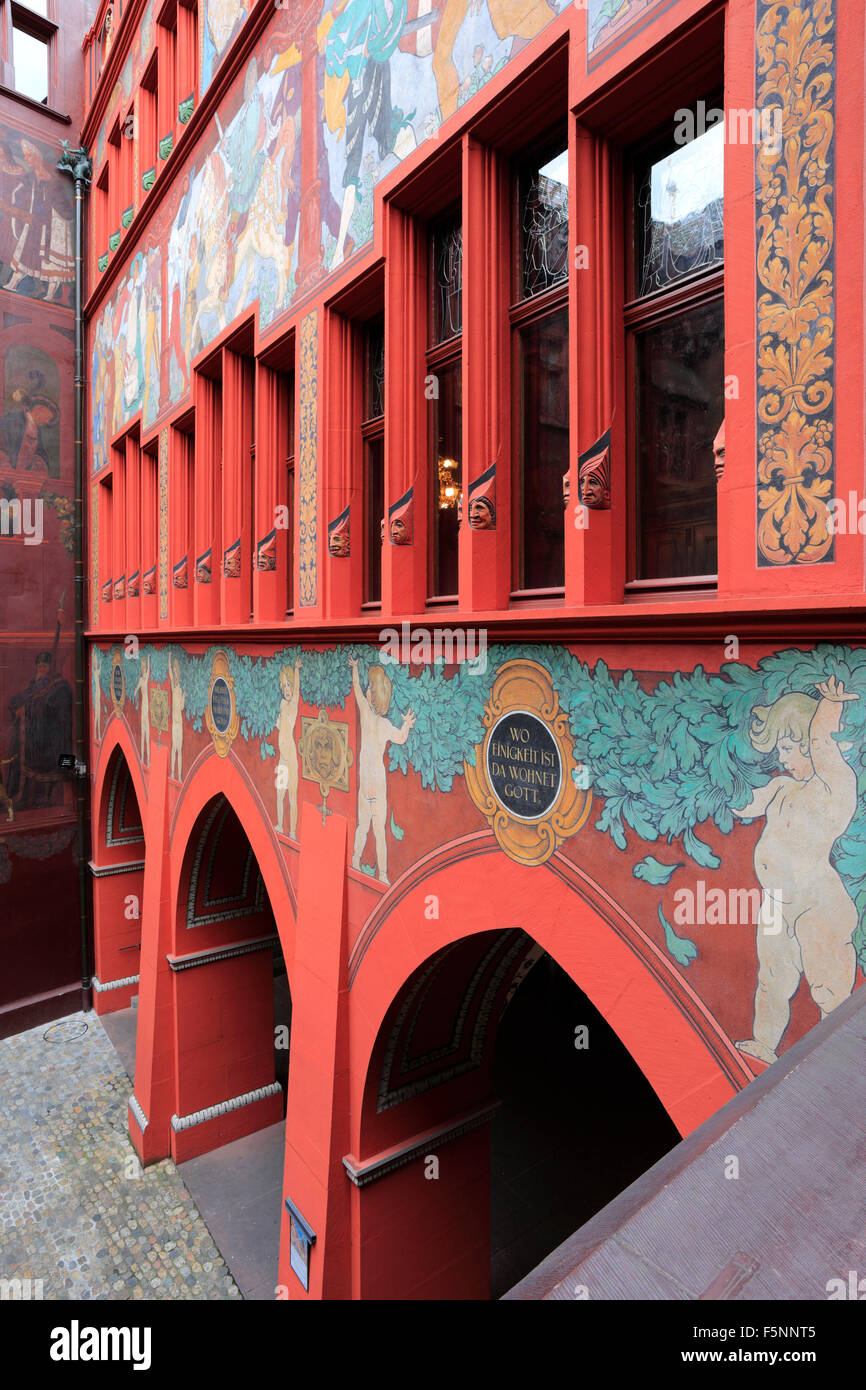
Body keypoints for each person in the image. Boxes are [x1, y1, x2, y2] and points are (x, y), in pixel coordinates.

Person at [732, 676, 859, 1065]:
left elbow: (823, 745)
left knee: (828, 983)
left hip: (818, 903)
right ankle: (764, 1043)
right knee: (772, 975)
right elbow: (746, 805)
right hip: (776, 903)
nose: (781, 757)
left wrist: (829, 707)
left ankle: (837, 1058)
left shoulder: (835, 785)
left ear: (807, 742)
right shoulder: (783, 788)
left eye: (787, 747)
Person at [349, 656, 414, 884]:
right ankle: (382, 875)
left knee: (364, 828)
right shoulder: (383, 724)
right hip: (377, 783)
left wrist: (355, 668)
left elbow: (356, 689)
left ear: (374, 695)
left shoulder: (367, 715)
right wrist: (406, 724)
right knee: (378, 832)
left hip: (368, 783)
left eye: (370, 687)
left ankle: (357, 862)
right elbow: (402, 737)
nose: (366, 690)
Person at [6, 635, 72, 809]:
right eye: (39, 666)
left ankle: (45, 799)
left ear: (51, 667)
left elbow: (55, 710)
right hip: (34, 737)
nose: (42, 669)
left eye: (45, 666)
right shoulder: (35, 684)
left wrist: (26, 710)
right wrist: (18, 707)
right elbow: (23, 698)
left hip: (50, 738)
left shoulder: (59, 686)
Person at [275, 660, 302, 838]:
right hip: (282, 758)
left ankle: (292, 832)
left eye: (289, 685)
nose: (286, 689)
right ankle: (280, 825)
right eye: (284, 686)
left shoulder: (292, 704)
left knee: (292, 797)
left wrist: (296, 670)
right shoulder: (282, 704)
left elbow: (297, 690)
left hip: (290, 758)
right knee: (280, 795)